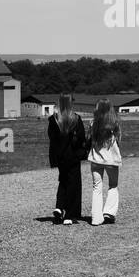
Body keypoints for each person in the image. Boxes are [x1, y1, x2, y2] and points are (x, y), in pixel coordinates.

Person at [47, 93, 87, 224]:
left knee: (63, 181)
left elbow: (52, 138)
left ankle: (59, 207)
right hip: (73, 156)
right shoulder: (75, 118)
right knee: (73, 184)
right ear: (70, 103)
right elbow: (81, 138)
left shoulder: (54, 119)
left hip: (60, 157)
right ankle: (69, 215)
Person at [88, 99, 123, 225]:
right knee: (113, 185)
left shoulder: (93, 123)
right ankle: (108, 212)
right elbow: (119, 139)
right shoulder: (114, 123)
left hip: (96, 159)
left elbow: (89, 139)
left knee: (97, 187)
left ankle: (96, 218)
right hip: (111, 160)